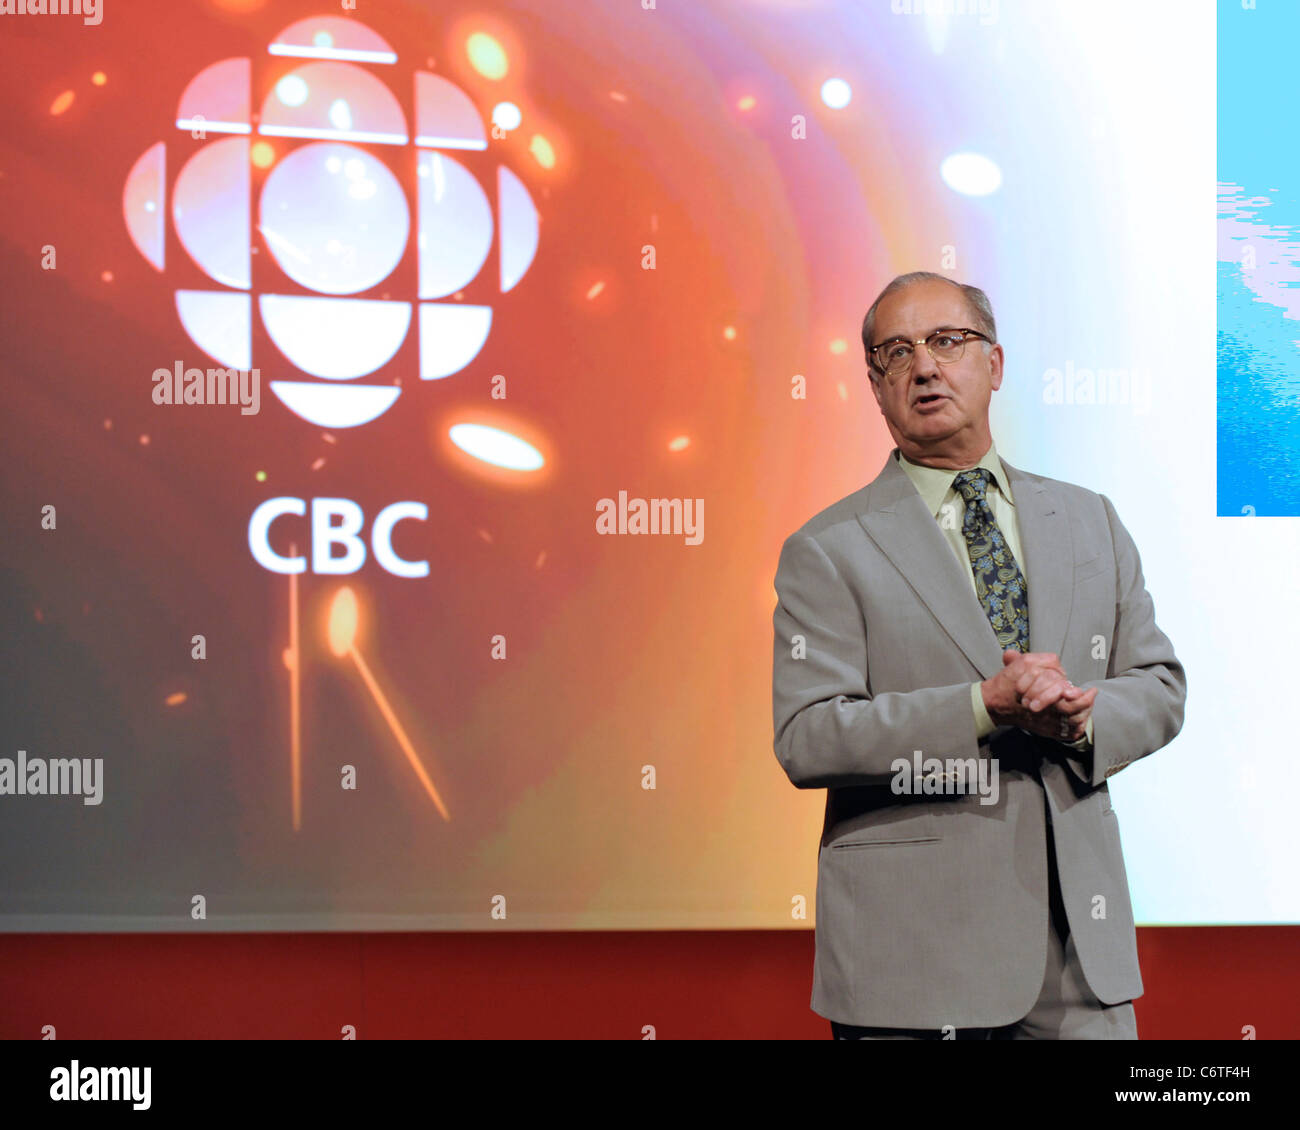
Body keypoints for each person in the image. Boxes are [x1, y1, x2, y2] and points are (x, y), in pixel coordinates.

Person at [771, 272, 1186, 1039]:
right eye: (897, 352)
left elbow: (1159, 685)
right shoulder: (827, 548)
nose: (925, 366)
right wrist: (980, 707)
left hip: (1079, 955)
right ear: (875, 385)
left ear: (994, 365)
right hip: (915, 959)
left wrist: (1083, 718)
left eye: (947, 341)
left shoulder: (1089, 519)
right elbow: (809, 736)